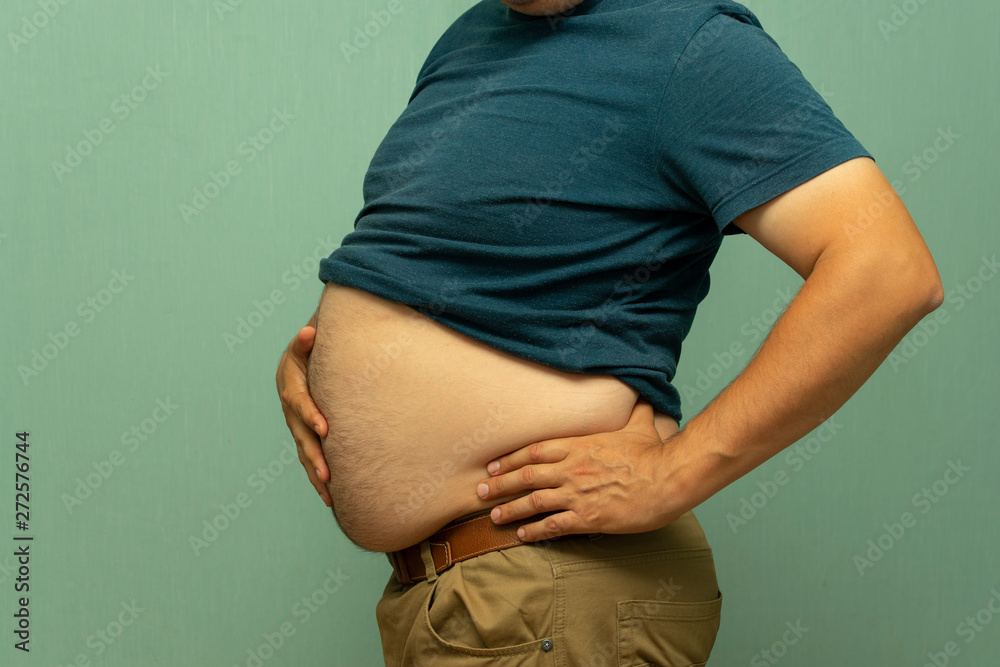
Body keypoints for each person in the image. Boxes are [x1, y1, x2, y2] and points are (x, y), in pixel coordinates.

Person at [276, 0, 944, 664]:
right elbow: (435, 258)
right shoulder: (469, 38)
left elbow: (887, 269)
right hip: (463, 600)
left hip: (548, 590)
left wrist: (672, 474)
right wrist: (322, 358)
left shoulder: (694, 46)